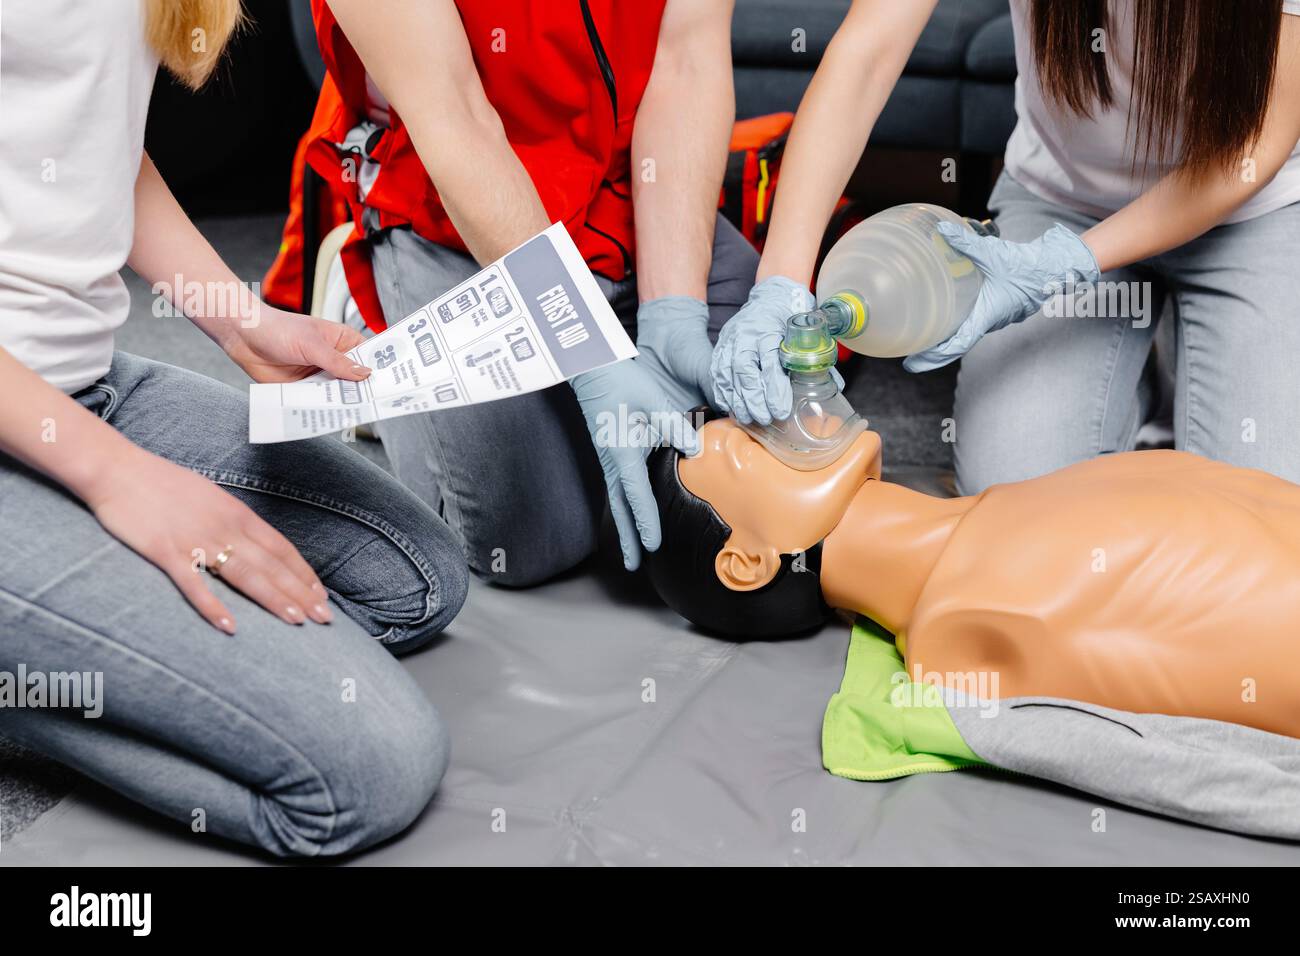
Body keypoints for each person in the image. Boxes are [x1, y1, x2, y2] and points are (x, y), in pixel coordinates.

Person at [0, 0, 468, 857]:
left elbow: (75, 144)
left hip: (79, 383)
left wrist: (241, 320)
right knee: (370, 769)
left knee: (416, 582)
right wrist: (120, 480)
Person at [712, 0, 1300, 492]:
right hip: (1065, 203)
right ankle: (1131, 365)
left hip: (1251, 210)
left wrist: (1071, 264)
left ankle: (1170, 348)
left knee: (1270, 518)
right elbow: (866, 54)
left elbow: (1255, 146)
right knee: (1012, 496)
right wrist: (781, 282)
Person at [645, 413, 1300, 838]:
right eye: (744, 450)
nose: (775, 422)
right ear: (749, 561)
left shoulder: (998, 525)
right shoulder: (969, 631)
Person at [291, 0, 757, 585]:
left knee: (764, 405)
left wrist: (675, 309)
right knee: (530, 539)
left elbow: (686, 58)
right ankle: (372, 309)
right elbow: (456, 114)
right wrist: (589, 359)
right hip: (458, 215)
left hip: (624, 189)